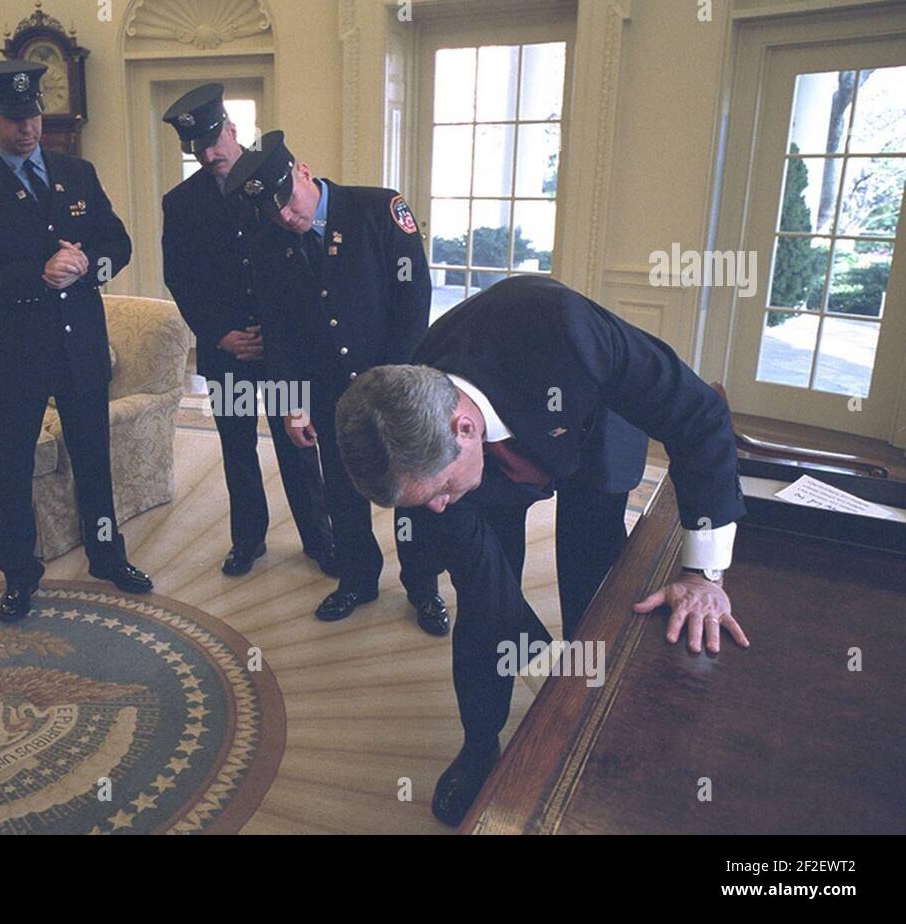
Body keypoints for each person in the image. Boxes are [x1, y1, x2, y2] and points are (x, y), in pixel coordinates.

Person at [334, 273, 751, 826]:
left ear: (463, 427)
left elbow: (698, 415)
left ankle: (598, 729)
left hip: (590, 431)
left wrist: (703, 573)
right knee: (484, 613)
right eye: (418, 502)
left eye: (434, 493)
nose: (431, 510)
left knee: (597, 590)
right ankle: (480, 746)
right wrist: (540, 658)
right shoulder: (415, 431)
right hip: (486, 473)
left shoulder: (565, 328)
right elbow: (483, 575)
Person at [0, 59, 152, 622]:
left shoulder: (76, 173)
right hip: (18, 354)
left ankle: (108, 555)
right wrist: (37, 274)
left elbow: (118, 243)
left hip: (80, 343)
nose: (26, 127)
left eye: (32, 113)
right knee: (14, 466)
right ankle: (19, 576)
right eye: (13, 118)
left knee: (93, 459)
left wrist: (90, 266)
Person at [225, 131, 446, 636]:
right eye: (271, 211)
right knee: (343, 491)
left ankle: (423, 588)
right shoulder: (267, 240)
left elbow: (414, 301)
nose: (283, 216)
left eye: (287, 201)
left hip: (396, 385)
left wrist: (393, 382)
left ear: (302, 171)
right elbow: (278, 330)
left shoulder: (378, 209)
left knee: (409, 490)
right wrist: (290, 405)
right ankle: (357, 579)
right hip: (326, 389)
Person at [160, 84, 334, 577]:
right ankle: (248, 540)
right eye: (197, 147)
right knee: (237, 447)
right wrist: (219, 334)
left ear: (232, 130)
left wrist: (284, 335)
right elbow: (181, 277)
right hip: (228, 352)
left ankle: (319, 540)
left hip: (285, 350)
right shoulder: (181, 202)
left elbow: (299, 262)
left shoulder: (269, 180)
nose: (209, 153)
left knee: (296, 442)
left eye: (215, 140)